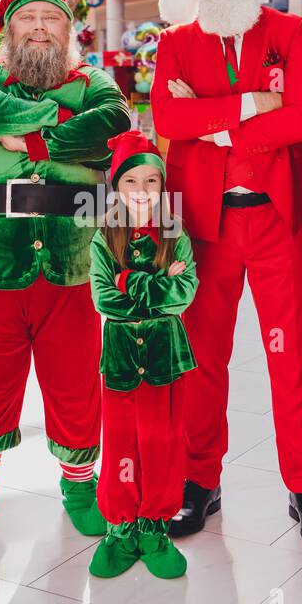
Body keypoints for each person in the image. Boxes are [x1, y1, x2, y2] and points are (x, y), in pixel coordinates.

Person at [151, 0, 302, 545]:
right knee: (203, 361)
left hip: (278, 221)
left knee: (294, 360)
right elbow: (168, 125)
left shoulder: (287, 30)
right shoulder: (175, 43)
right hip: (204, 228)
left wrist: (212, 121)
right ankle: (200, 483)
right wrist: (255, 104)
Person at [0, 0, 131, 542]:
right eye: (28, 18)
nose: (40, 26)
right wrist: (62, 119)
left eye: (53, 18)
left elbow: (111, 126)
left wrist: (31, 140)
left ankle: (81, 488)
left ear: (70, 32)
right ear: (9, 31)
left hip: (72, 262)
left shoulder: (98, 84)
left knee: (75, 380)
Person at [87, 131, 198, 578]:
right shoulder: (103, 238)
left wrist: (127, 281)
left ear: (162, 186)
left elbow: (184, 294)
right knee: (119, 444)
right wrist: (154, 283)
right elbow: (102, 300)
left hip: (164, 359)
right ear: (116, 186)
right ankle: (120, 525)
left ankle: (154, 524)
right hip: (118, 360)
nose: (141, 191)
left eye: (151, 181)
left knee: (162, 441)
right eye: (131, 181)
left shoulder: (177, 235)